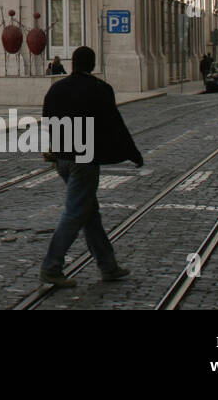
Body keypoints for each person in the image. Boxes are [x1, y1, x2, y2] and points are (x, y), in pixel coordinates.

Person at [39, 45, 142, 288]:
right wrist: (133, 154)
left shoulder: (56, 89)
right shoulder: (100, 89)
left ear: (72, 64)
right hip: (84, 159)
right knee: (76, 213)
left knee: (89, 213)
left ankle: (108, 265)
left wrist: (52, 147)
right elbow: (115, 125)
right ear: (93, 65)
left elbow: (48, 121)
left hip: (62, 159)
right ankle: (51, 266)